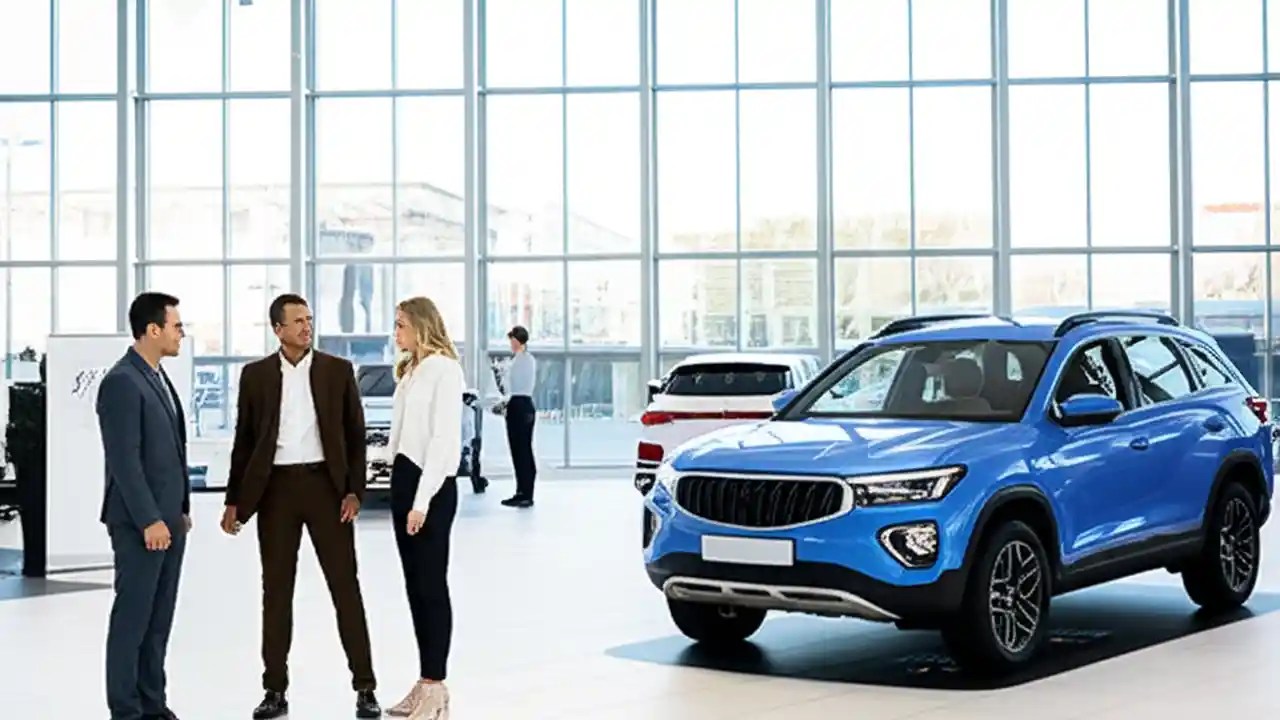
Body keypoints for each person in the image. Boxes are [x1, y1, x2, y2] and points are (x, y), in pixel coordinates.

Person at [220, 293, 380, 719]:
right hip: (275, 492)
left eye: (309, 319)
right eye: (297, 321)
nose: (306, 327)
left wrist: (354, 492)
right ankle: (274, 690)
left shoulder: (337, 371)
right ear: (278, 329)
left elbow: (355, 434)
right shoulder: (255, 376)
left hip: (327, 490)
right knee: (276, 594)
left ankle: (365, 688)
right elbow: (245, 441)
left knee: (346, 588)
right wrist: (234, 500)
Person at [97, 291, 190, 720]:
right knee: (132, 622)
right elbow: (124, 461)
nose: (181, 334)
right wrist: (151, 518)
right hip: (140, 525)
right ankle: (126, 710)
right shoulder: (121, 381)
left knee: (158, 623)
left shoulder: (156, 376)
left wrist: (180, 510)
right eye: (176, 326)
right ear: (153, 330)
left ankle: (153, 704)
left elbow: (173, 450)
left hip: (170, 523)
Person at [383, 297, 465, 719]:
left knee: (431, 585)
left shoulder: (444, 370)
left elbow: (442, 441)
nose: (395, 332)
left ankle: (436, 685)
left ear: (421, 325)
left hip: (428, 488)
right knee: (415, 586)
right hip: (404, 480)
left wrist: (421, 501)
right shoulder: (411, 370)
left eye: (401, 324)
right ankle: (425, 678)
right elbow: (403, 436)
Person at [500, 325, 537, 508]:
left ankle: (526, 493)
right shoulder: (519, 359)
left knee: (523, 451)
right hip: (517, 404)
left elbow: (518, 386)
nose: (511, 344)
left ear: (518, 340)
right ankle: (521, 491)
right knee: (518, 451)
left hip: (521, 406)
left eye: (512, 340)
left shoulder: (525, 359)